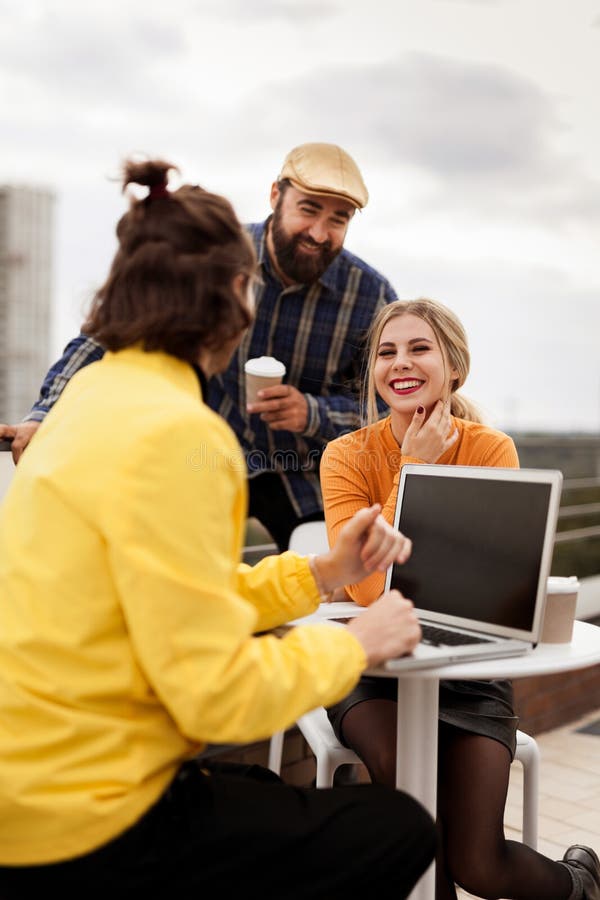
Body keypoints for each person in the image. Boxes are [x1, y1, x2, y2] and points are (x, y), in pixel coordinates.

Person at [0, 159, 436, 900]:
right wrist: (351, 643)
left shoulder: (89, 399)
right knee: (398, 826)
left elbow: (181, 590)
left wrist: (322, 573)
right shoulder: (182, 436)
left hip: (26, 785)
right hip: (87, 818)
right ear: (236, 299)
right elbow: (214, 696)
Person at [320, 298, 600, 900]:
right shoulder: (345, 456)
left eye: (419, 348)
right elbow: (370, 587)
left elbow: (489, 587)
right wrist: (410, 468)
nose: (402, 363)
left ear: (454, 368)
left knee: (479, 865)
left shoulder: (490, 450)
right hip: (375, 670)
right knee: (415, 803)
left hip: (472, 670)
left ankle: (581, 884)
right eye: (387, 352)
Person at [0, 142, 397, 550]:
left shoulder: (372, 294)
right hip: (199, 456)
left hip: (299, 469)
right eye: (309, 209)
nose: (319, 233)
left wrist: (311, 413)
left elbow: (385, 403)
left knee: (330, 565)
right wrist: (45, 413)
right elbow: (104, 333)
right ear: (276, 195)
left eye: (339, 219)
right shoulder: (216, 255)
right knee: (168, 551)